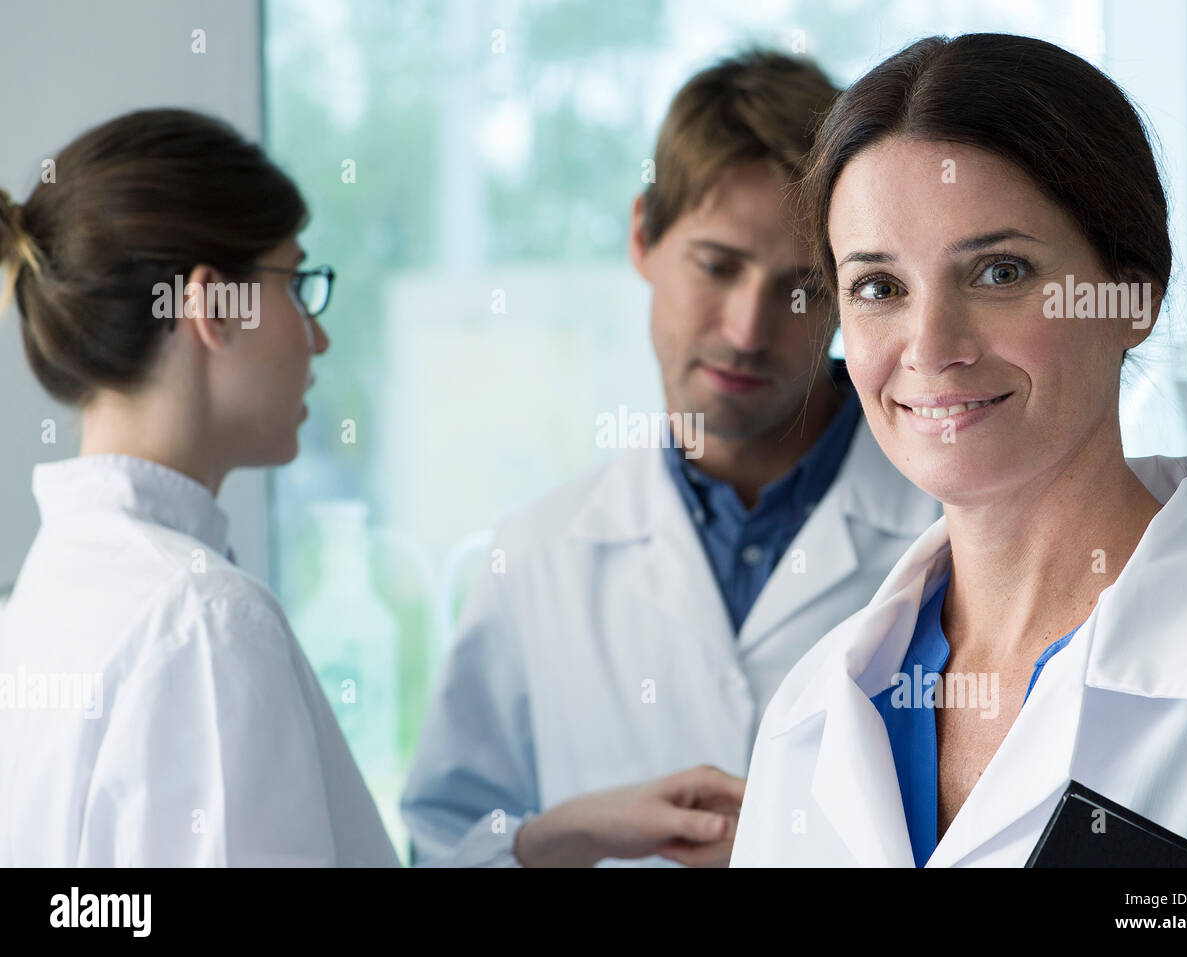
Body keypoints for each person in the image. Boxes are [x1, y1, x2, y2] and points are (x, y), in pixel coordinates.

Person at [731, 33, 1187, 867]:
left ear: (1135, 291)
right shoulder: (813, 716)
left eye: (999, 272)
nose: (930, 346)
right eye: (880, 287)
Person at [401, 50, 940, 867]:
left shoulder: (952, 527)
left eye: (798, 287)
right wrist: (554, 838)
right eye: (717, 266)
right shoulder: (539, 552)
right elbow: (441, 840)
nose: (746, 328)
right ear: (643, 237)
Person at [0, 109, 397, 866]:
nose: (319, 336)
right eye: (298, 282)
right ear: (215, 306)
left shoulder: (40, 605)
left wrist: (529, 847)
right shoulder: (201, 620)